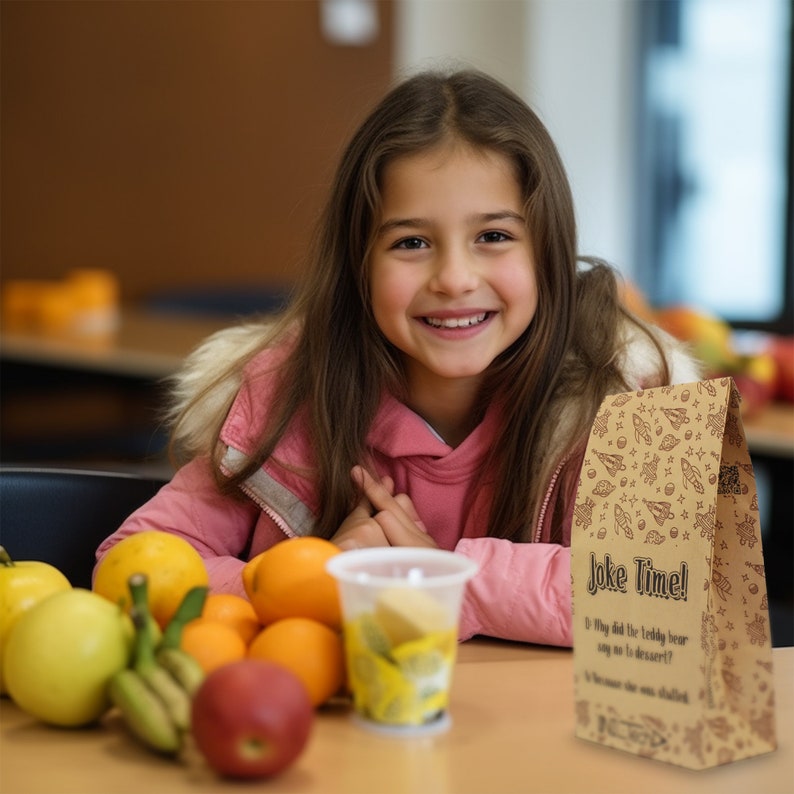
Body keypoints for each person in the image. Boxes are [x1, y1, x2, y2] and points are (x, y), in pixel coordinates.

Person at [96, 69, 701, 647]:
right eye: (411, 242)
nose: (456, 278)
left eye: (493, 236)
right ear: (359, 263)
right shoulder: (287, 394)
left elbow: (671, 592)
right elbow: (128, 567)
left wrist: (442, 577)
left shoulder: (630, 387)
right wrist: (319, 578)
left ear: (547, 250)